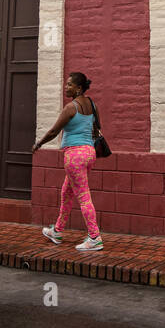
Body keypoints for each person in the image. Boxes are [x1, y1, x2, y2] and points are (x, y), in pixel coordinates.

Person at [33, 72, 103, 251]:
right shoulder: (92, 105)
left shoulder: (71, 108)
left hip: (74, 156)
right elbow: (97, 127)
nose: (66, 87)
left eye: (70, 84)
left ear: (79, 88)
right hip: (89, 153)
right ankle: (56, 231)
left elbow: (53, 132)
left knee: (83, 197)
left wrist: (39, 144)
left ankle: (94, 237)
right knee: (66, 192)